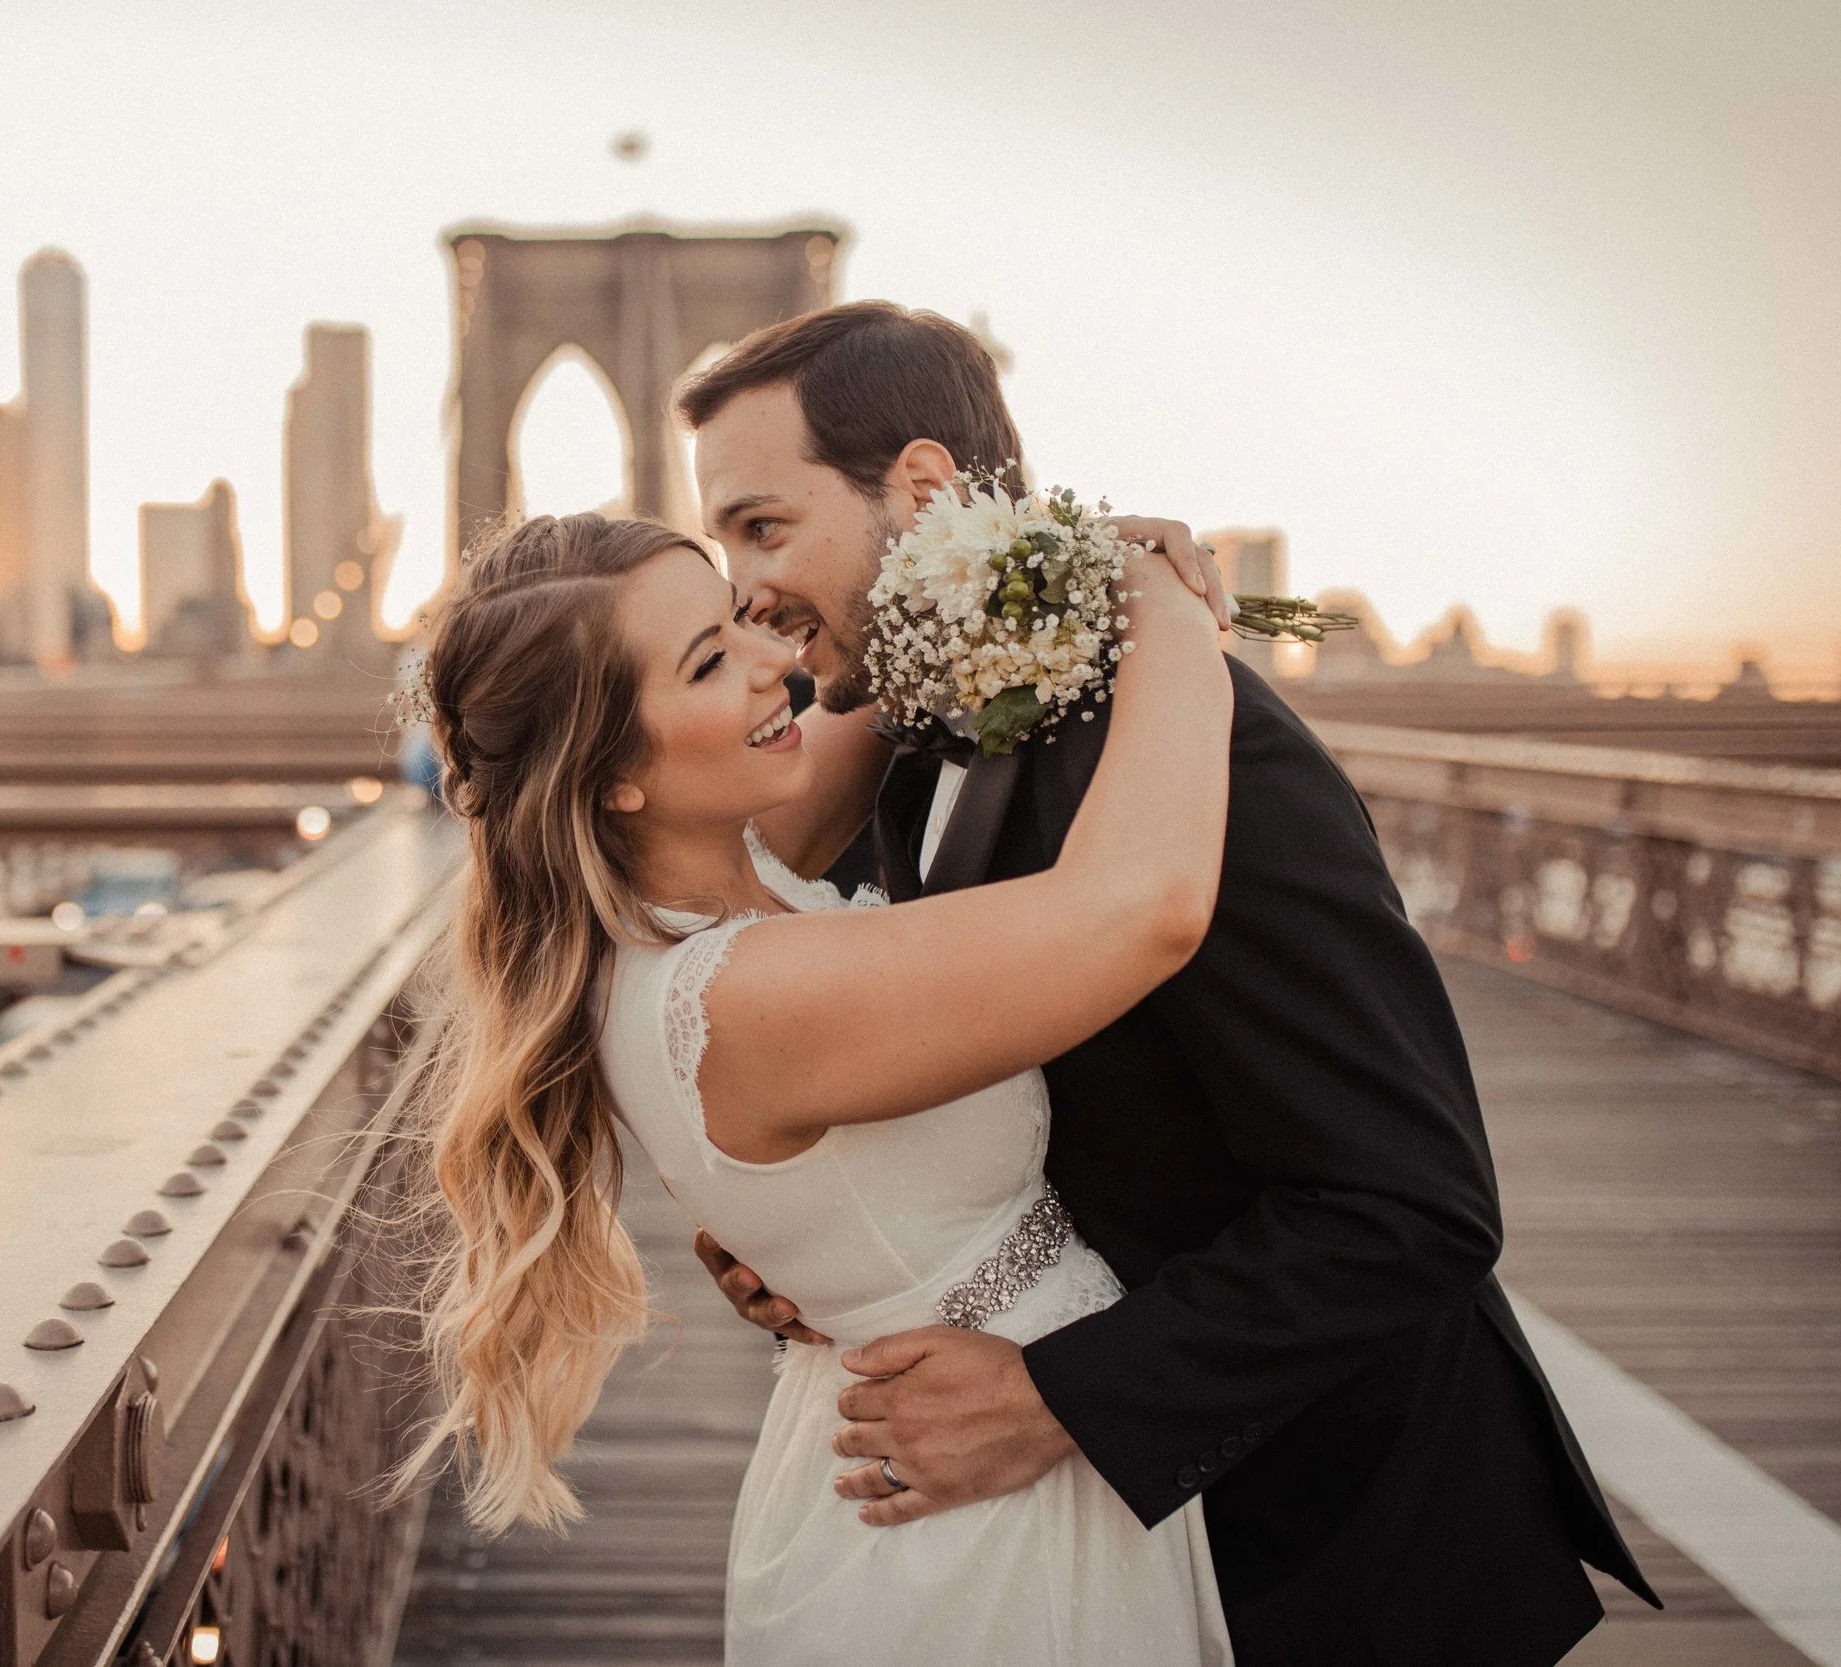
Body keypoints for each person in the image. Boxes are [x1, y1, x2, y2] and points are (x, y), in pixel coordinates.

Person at [679, 301, 1655, 1664]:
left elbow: (1411, 1199)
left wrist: (1060, 1399)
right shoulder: (913, 747)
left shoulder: (1193, 752)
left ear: (922, 488)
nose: (741, 586)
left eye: (762, 526)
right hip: (1127, 1557)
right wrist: (822, 1235)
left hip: (1340, 1545)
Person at [391, 506, 1239, 1661]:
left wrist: (1047, 551)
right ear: (613, 774)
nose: (774, 657)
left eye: (738, 616)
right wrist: (1166, 604)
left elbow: (876, 676)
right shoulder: (736, 995)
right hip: (963, 1521)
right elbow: (1146, 908)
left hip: (976, 1451)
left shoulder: (719, 883)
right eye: (708, 661)